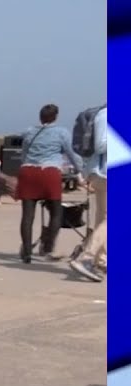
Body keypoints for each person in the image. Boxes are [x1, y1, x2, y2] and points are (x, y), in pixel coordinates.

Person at [17, 103, 84, 263]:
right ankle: (47, 247)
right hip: (49, 172)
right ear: (56, 117)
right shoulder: (61, 132)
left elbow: (24, 154)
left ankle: (26, 252)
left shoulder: (29, 131)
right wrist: (80, 171)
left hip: (28, 171)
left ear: (40, 117)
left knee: (27, 215)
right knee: (56, 212)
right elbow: (71, 153)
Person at [70, 107, 107, 282]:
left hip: (101, 173)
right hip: (105, 172)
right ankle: (86, 258)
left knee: (103, 218)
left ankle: (100, 260)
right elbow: (100, 145)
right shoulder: (106, 114)